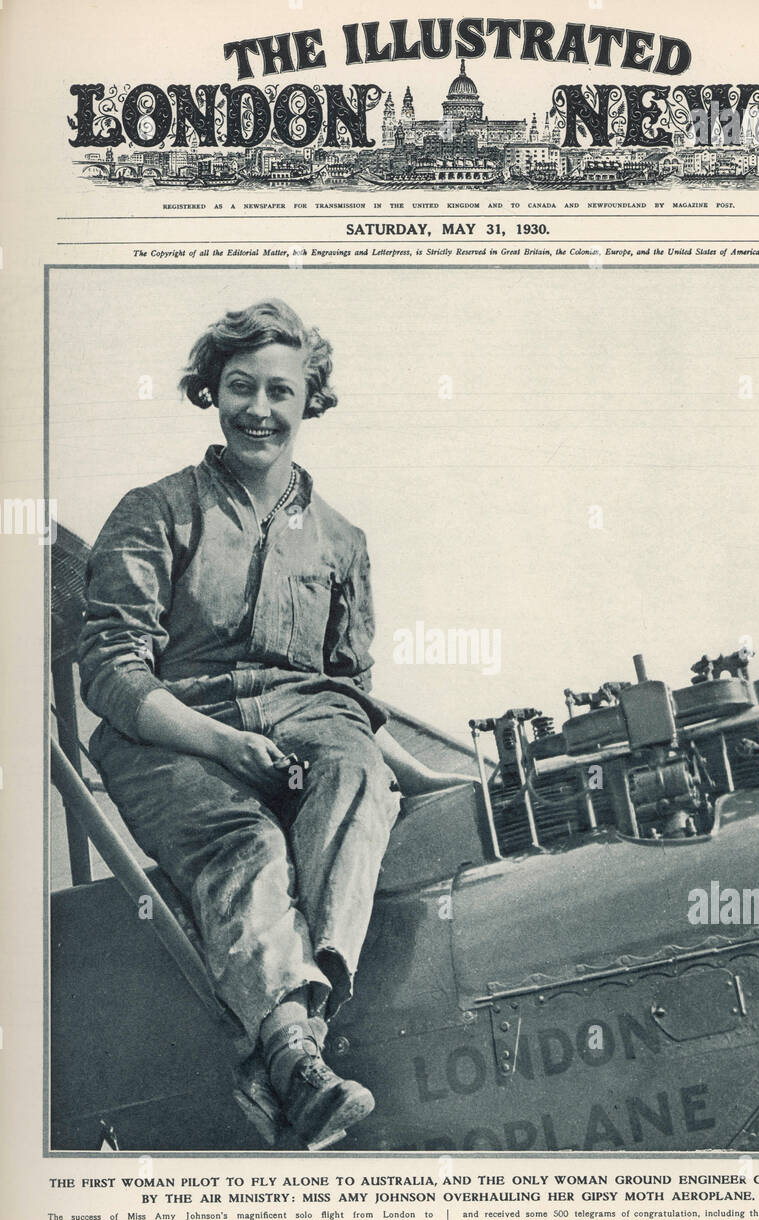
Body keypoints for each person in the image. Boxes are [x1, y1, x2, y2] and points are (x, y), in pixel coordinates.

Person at [78, 298, 473, 1150]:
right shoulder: (153, 512)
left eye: (280, 391)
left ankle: (293, 1040)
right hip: (168, 733)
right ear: (210, 394)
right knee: (244, 841)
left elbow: (351, 695)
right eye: (239, 387)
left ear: (309, 401)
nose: (260, 409)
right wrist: (220, 744)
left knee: (356, 772)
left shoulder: (342, 540)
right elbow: (110, 671)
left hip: (307, 719)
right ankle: (295, 1053)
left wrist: (421, 778)